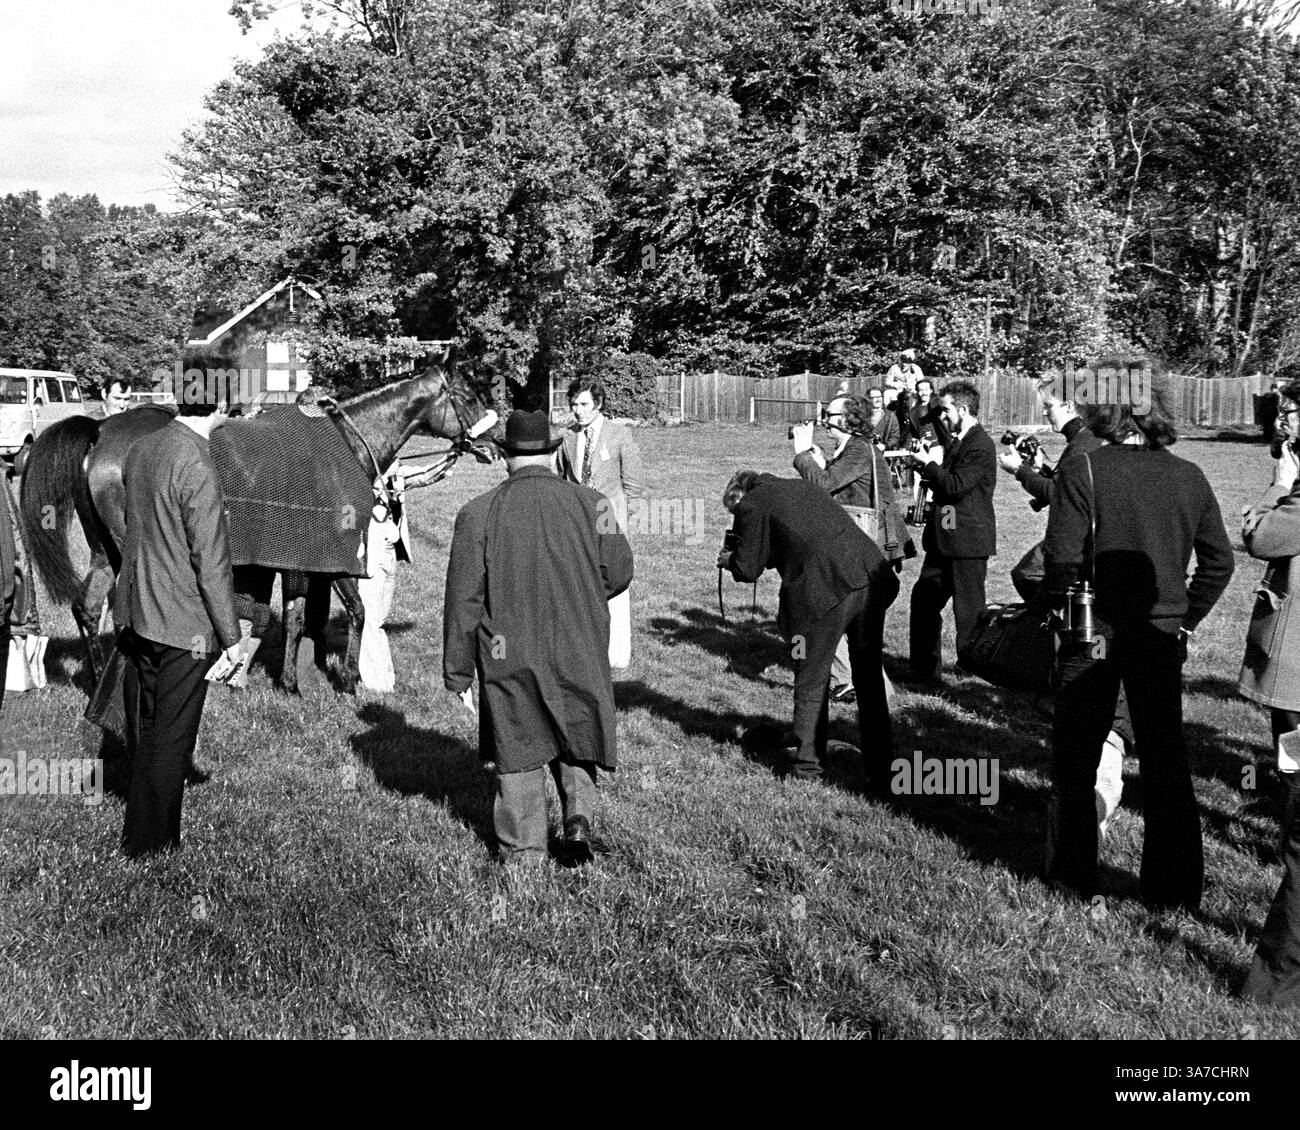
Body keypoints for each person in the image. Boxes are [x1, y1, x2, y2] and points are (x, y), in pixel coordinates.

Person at [1042, 366, 1234, 912]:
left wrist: (1061, 610)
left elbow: (1060, 560)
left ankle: (1072, 874)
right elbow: (1219, 562)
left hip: (1093, 632)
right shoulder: (1190, 475)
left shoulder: (1085, 471)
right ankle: (1174, 890)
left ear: (1103, 409)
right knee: (1165, 758)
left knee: (1077, 756)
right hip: (1159, 633)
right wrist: (1185, 616)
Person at [444, 410, 633, 866]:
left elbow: (463, 601)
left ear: (506, 456)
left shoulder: (476, 514)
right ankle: (578, 818)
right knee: (577, 725)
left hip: (507, 648)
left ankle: (525, 855)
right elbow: (621, 571)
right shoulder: (597, 505)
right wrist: (583, 597)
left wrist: (458, 673)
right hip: (579, 640)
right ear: (553, 453)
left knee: (518, 737)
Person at [115, 375, 242, 857]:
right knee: (172, 739)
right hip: (182, 624)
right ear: (219, 403)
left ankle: (139, 831)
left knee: (150, 728)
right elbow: (211, 563)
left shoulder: (143, 449)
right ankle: (153, 846)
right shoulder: (198, 460)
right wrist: (232, 639)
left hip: (138, 611)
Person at [998, 377, 1129, 841]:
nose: (1046, 414)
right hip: (1095, 567)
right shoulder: (1082, 443)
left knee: (1033, 577)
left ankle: (1051, 649)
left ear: (1072, 405)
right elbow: (1062, 486)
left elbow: (1061, 498)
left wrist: (1019, 472)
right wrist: (1041, 469)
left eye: (1049, 406)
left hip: (1083, 562)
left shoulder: (1086, 443)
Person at [719, 471, 899, 786]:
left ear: (741, 494)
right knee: (869, 679)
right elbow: (799, 539)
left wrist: (730, 558)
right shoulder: (799, 486)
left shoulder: (753, 503)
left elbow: (748, 569)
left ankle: (808, 769)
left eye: (735, 511)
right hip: (870, 574)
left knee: (811, 680)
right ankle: (882, 766)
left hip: (827, 588)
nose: (738, 517)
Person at [1238, 379, 1300, 1005]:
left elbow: (1257, 535)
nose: (1283, 426)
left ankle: (1273, 987)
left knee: (1297, 797)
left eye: (1293, 417)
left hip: (1299, 685)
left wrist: (1282, 481)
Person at [792, 395, 912, 701]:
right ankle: (854, 681)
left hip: (867, 545)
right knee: (846, 615)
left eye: (830, 414)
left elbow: (823, 486)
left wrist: (803, 455)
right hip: (860, 543)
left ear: (849, 420)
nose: (824, 420)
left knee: (837, 612)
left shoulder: (859, 448)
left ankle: (871, 689)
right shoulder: (852, 448)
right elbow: (839, 483)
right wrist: (821, 461)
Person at [905, 380, 997, 683]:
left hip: (967, 543)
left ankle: (975, 671)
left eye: (945, 412)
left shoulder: (981, 444)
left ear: (963, 409)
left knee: (968, 613)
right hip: (944, 541)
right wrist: (923, 466)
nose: (941, 418)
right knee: (923, 602)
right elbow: (946, 482)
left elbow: (957, 487)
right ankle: (923, 672)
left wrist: (929, 465)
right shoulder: (960, 440)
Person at [558, 377, 645, 670]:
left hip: (610, 522)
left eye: (583, 404)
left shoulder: (620, 435)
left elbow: (633, 486)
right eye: (573, 405)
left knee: (615, 582)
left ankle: (616, 654)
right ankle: (580, 648)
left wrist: (620, 520)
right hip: (576, 522)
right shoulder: (566, 436)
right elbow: (561, 481)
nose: (578, 411)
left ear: (599, 404)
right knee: (577, 582)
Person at [356, 457, 455, 693]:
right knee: (370, 617)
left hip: (390, 551)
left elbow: (425, 474)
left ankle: (384, 678)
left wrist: (452, 456)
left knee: (379, 618)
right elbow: (348, 512)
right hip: (371, 550)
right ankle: (375, 682)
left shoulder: (396, 475)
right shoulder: (362, 475)